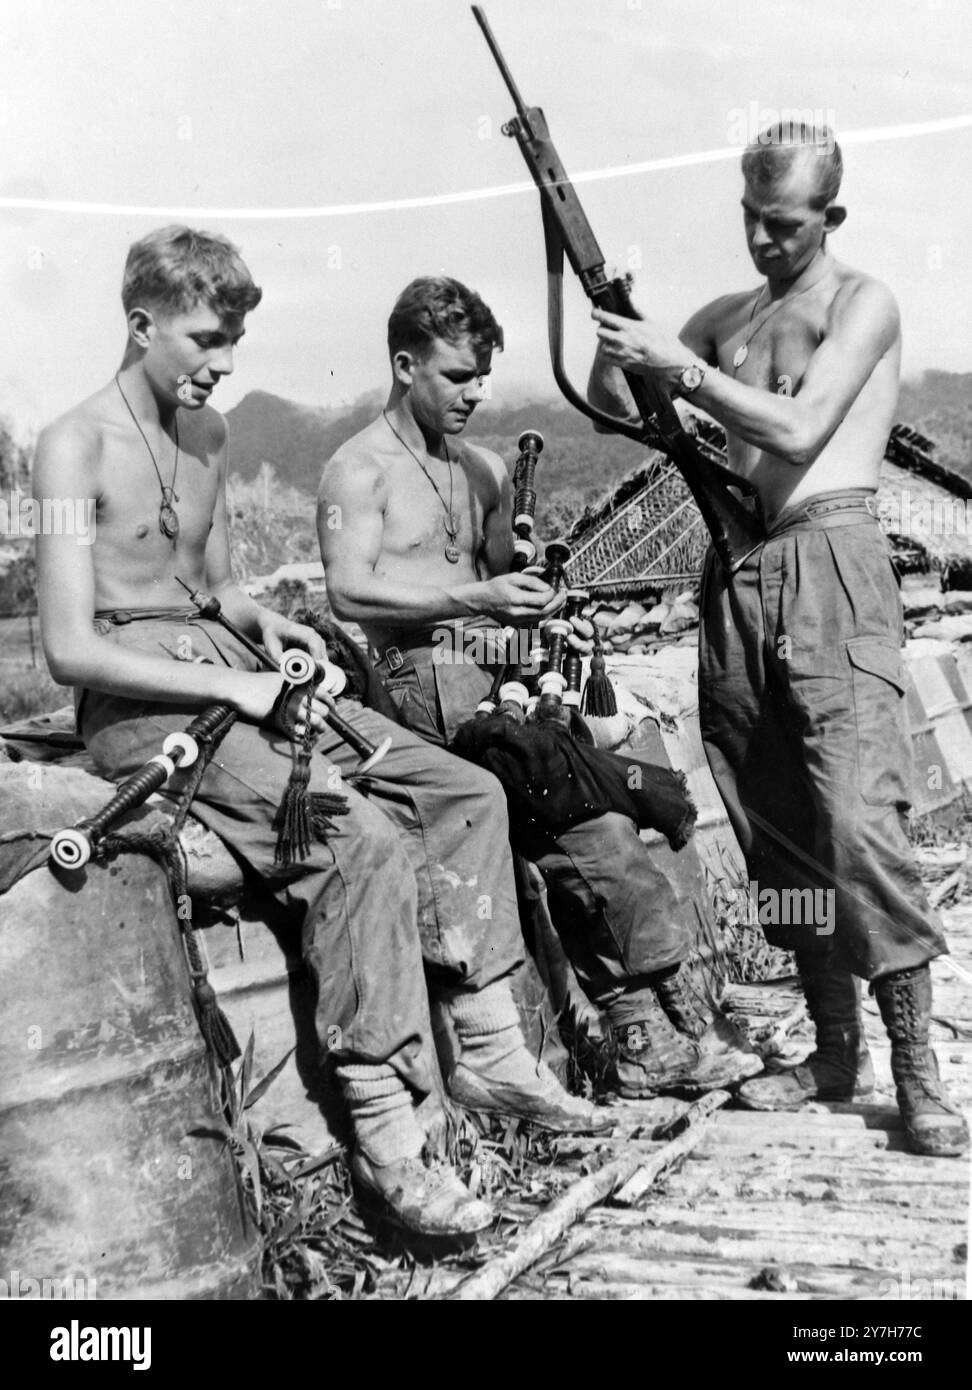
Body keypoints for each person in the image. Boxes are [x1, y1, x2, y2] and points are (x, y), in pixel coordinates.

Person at [33, 227, 609, 1246]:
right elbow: (71, 647)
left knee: (461, 796)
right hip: (147, 709)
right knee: (360, 842)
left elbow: (208, 586)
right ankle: (392, 1137)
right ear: (140, 324)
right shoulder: (72, 446)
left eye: (234, 347)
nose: (221, 367)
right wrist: (241, 693)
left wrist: (264, 622)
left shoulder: (206, 439)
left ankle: (490, 1055)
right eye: (206, 342)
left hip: (235, 673)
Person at [587, 123, 968, 1157]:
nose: (761, 239)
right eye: (749, 218)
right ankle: (833, 1050)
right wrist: (613, 326)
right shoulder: (728, 318)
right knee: (775, 819)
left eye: (785, 223)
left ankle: (920, 1076)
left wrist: (679, 363)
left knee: (856, 820)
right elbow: (620, 406)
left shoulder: (862, 302)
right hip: (739, 574)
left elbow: (799, 434)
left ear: (830, 217)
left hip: (831, 559)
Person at [317, 275, 761, 1099]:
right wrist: (477, 600)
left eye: (483, 376)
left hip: (501, 678)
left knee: (604, 812)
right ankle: (648, 1038)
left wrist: (539, 605)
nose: (474, 394)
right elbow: (348, 592)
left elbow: (502, 584)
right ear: (405, 363)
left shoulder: (483, 470)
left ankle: (671, 1021)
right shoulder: (358, 472)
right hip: (422, 686)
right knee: (569, 818)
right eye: (456, 377)